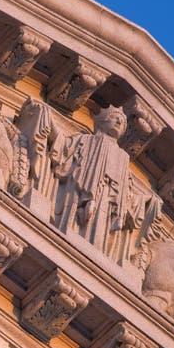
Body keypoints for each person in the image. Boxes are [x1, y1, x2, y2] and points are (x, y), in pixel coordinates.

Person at [51, 105, 142, 259]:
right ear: (102, 121)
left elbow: (127, 195)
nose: (119, 123)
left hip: (106, 204)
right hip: (80, 196)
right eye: (115, 118)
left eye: (123, 123)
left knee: (101, 227)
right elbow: (64, 148)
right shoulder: (86, 140)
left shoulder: (123, 159)